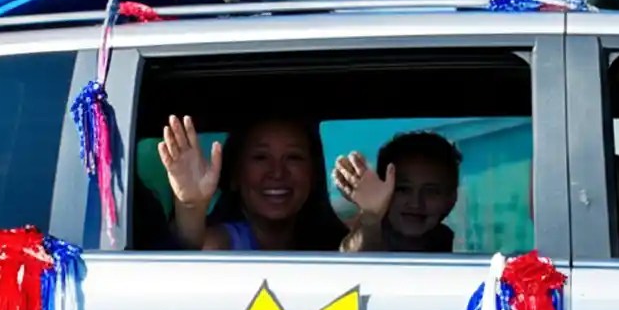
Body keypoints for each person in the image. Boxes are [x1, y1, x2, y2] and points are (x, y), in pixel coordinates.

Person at [158, 114, 347, 251]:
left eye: (293, 157)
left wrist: (365, 218)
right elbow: (192, 260)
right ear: (235, 176)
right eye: (260, 157)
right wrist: (191, 205)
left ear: (313, 175)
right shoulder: (223, 244)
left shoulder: (331, 247)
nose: (277, 173)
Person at [335, 131, 461, 253]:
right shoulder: (368, 232)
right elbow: (355, 256)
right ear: (382, 191)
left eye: (431, 191)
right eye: (403, 189)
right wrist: (371, 214)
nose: (415, 203)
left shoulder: (446, 240)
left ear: (451, 199)